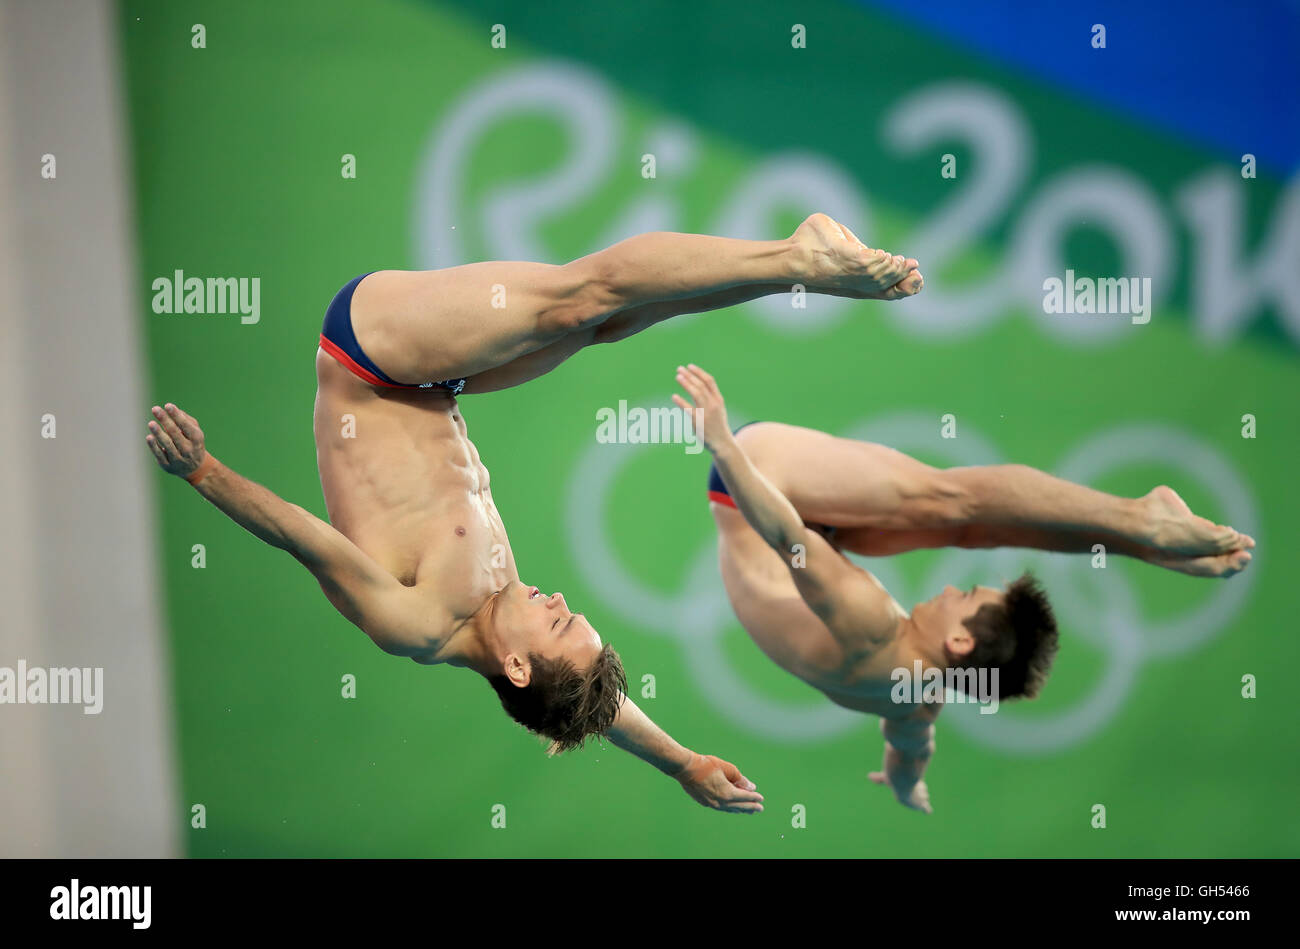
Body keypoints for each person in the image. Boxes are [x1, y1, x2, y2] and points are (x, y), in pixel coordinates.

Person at [143, 213, 924, 814]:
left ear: (515, 666)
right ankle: (795, 271)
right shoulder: (517, 639)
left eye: (555, 622)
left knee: (576, 299)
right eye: (568, 613)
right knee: (606, 321)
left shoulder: (417, 623)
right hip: (437, 381)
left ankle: (802, 256)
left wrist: (203, 472)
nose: (554, 600)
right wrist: (682, 760)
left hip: (370, 357)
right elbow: (594, 705)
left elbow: (304, 538)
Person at [671, 363, 1254, 813]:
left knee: (949, 498)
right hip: (797, 529)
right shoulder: (920, 701)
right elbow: (907, 758)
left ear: (960, 645)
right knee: (971, 530)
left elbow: (785, 535)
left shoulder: (870, 622)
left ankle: (1139, 521)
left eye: (967, 597)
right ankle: (1142, 543)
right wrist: (904, 789)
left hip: (755, 484)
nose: (949, 589)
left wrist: (724, 442)